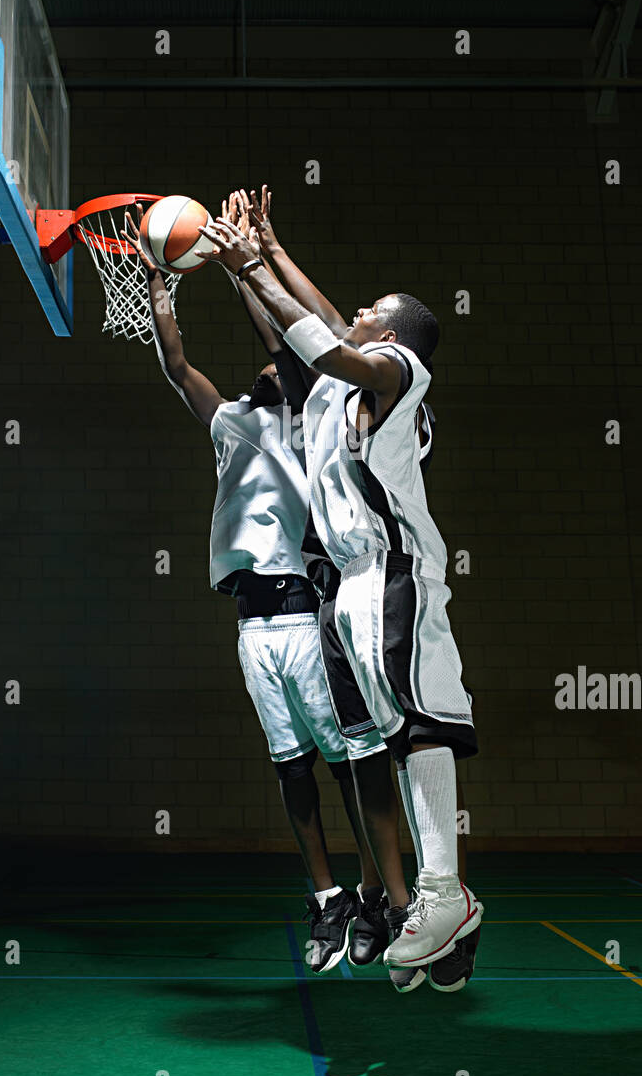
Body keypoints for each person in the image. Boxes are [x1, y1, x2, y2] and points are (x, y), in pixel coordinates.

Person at [197, 193, 484, 977]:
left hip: (394, 571)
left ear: (388, 335)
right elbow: (307, 329)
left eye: (369, 311)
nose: (351, 311)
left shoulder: (397, 371)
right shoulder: (339, 391)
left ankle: (441, 892)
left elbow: (325, 341)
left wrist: (252, 263)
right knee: (391, 739)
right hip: (346, 590)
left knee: (423, 726)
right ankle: (436, 917)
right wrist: (261, 253)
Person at [123, 199, 382, 973]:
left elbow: (289, 335)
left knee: (342, 760)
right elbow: (175, 364)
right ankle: (327, 895)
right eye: (266, 365)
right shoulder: (229, 419)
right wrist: (162, 288)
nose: (271, 366)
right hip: (250, 623)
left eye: (281, 364)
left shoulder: (304, 421)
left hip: (302, 611)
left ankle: (374, 888)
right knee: (288, 765)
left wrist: (243, 265)